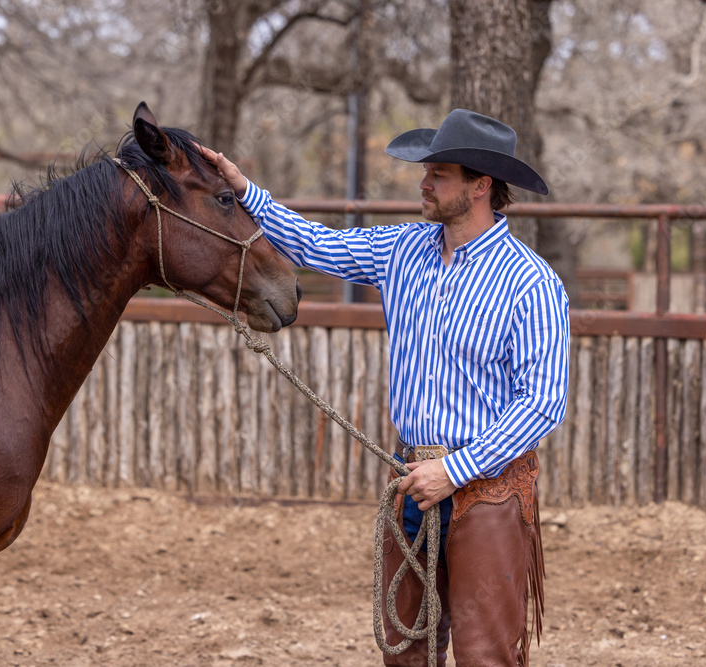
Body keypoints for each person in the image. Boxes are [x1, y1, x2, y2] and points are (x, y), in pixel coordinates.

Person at [202, 108, 570, 667]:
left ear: (480, 186)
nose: (423, 183)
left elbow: (542, 403)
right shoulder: (405, 249)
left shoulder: (531, 282)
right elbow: (314, 245)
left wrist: (454, 470)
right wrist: (245, 190)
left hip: (486, 492)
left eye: (438, 173)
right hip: (411, 481)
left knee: (485, 655)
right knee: (404, 649)